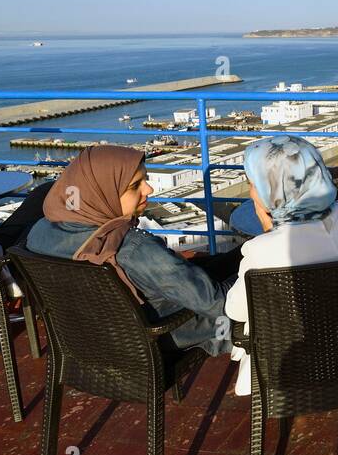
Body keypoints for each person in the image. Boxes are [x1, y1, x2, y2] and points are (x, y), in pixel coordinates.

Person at [24, 145, 235, 356]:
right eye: (135, 186)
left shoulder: (39, 233)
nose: (149, 190)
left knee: (224, 263)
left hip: (90, 339)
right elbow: (216, 303)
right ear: (104, 191)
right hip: (156, 338)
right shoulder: (132, 248)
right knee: (248, 308)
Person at [224, 137, 338, 397]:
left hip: (294, 368)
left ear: (272, 190)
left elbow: (235, 310)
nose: (251, 192)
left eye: (253, 185)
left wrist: (269, 232)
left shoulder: (261, 251)